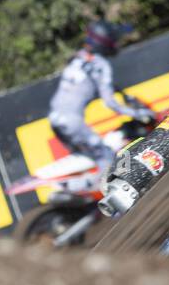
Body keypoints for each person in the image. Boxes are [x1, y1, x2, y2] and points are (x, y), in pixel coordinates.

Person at [48, 20, 154, 172]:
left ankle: (89, 190)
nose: (116, 43)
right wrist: (139, 114)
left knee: (91, 160)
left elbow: (85, 87)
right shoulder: (101, 64)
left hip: (55, 120)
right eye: (114, 40)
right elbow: (110, 102)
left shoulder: (78, 57)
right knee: (110, 162)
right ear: (104, 42)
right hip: (73, 122)